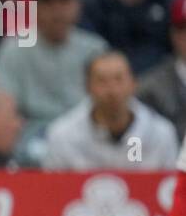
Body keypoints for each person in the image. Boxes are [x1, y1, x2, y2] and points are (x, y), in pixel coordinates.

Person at [0, 0, 108, 122]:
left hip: (86, 135)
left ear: (77, 4)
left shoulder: (95, 49)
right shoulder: (13, 48)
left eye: (64, 0)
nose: (57, 10)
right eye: (48, 1)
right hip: (30, 136)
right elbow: (4, 108)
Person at [43, 51, 179, 170]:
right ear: (87, 87)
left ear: (134, 84)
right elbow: (53, 191)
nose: (112, 90)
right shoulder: (62, 135)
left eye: (119, 79)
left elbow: (168, 189)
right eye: (102, 81)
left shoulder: (160, 134)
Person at [135, 0, 186, 139]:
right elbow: (134, 138)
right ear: (173, 34)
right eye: (183, 28)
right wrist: (135, 159)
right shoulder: (149, 89)